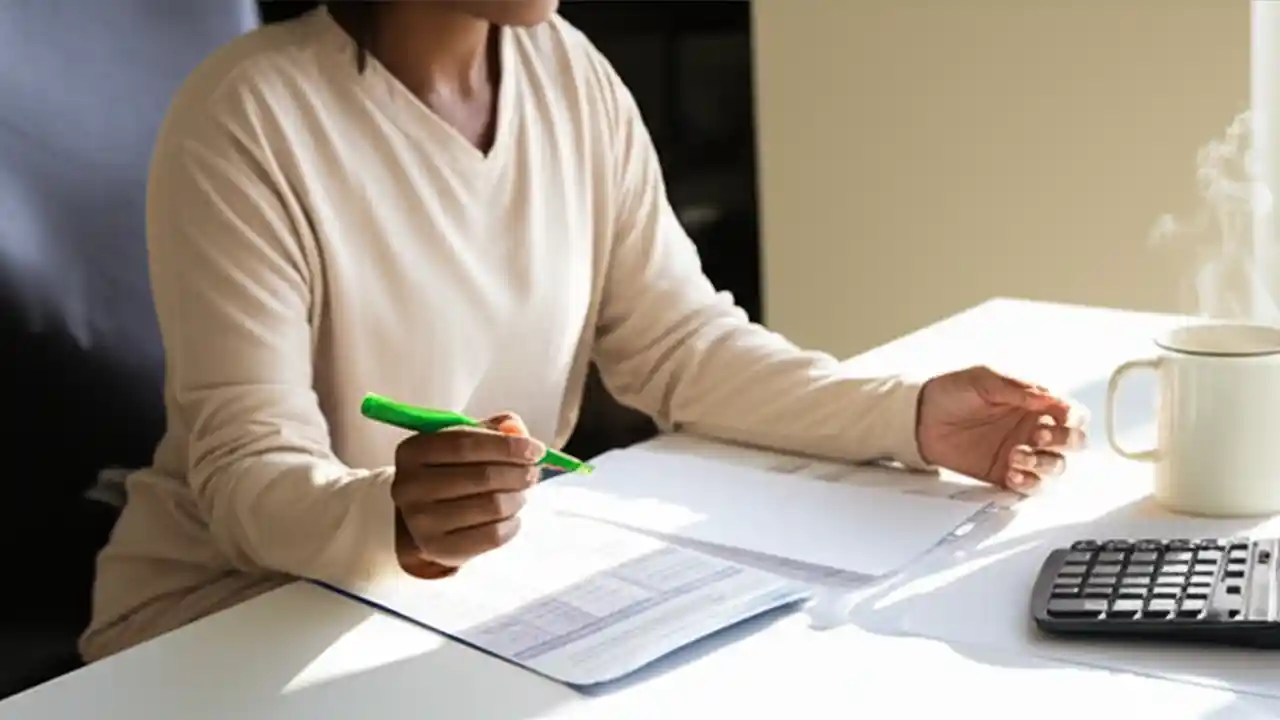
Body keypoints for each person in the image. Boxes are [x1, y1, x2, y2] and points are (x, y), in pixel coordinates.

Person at [80, 0, 1086, 662]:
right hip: (223, 619)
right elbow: (246, 468)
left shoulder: (568, 74)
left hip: (446, 612)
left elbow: (681, 347)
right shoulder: (247, 114)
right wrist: (398, 520)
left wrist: (907, 417)